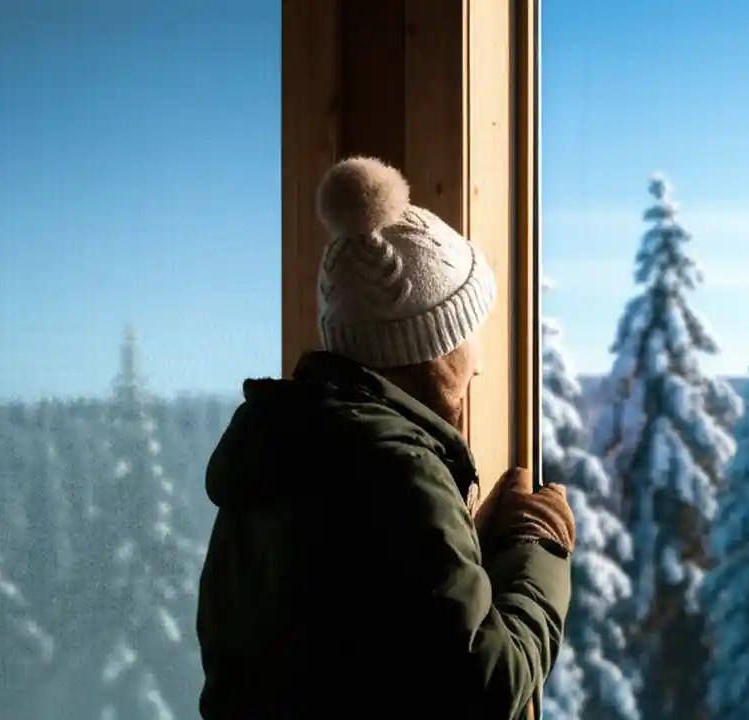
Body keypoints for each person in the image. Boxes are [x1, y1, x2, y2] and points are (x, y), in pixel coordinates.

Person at [196, 156, 576, 719]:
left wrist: (466, 543)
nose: (478, 368)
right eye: (469, 336)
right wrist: (536, 547)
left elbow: (365, 645)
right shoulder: (396, 472)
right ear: (432, 346)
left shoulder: (279, 454)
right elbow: (485, 683)